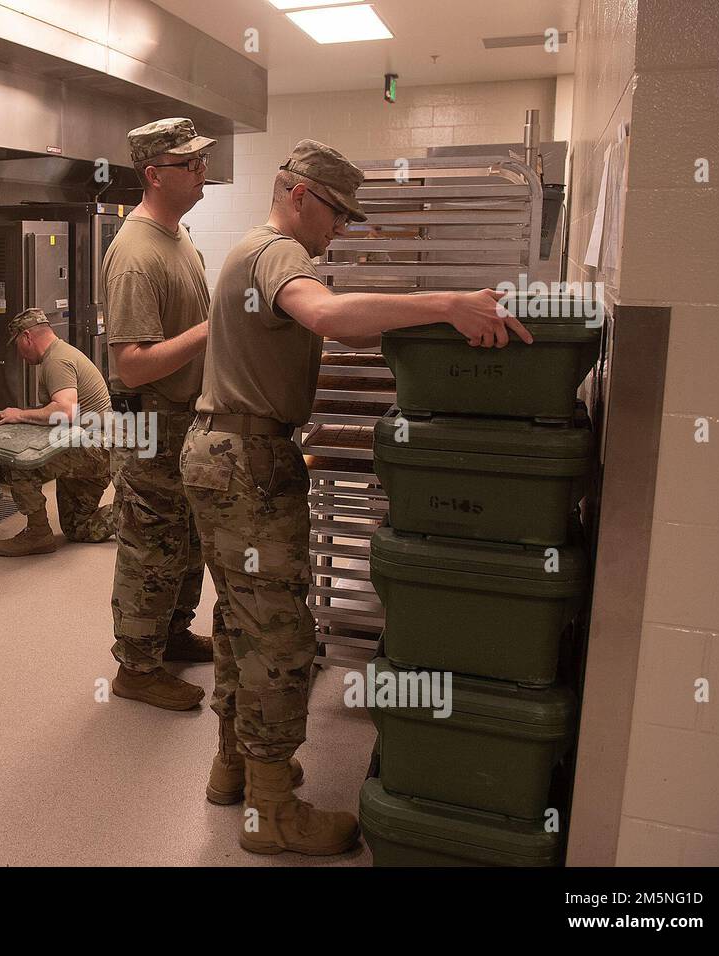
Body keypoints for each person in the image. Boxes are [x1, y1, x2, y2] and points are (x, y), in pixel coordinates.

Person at [182, 139, 533, 855]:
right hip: (244, 459)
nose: (339, 229)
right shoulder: (279, 252)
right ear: (297, 193)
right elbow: (328, 317)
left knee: (241, 622)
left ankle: (236, 769)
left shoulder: (251, 248)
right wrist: (447, 304)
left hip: (220, 450)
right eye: (336, 213)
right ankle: (272, 810)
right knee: (280, 633)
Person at [102, 117, 217, 712]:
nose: (202, 174)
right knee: (150, 542)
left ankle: (170, 634)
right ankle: (136, 667)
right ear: (153, 174)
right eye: (190, 166)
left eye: (201, 162)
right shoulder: (135, 253)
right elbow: (134, 366)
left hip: (184, 420)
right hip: (150, 422)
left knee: (185, 537)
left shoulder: (179, 235)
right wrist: (210, 330)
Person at [0, 308, 115, 556]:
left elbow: (65, 412)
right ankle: (137, 516)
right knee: (78, 528)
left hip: (95, 451)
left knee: (18, 462)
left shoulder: (56, 361)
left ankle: (38, 534)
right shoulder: (60, 353)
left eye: (17, 345)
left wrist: (20, 414)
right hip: (98, 449)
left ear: (27, 337)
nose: (19, 354)